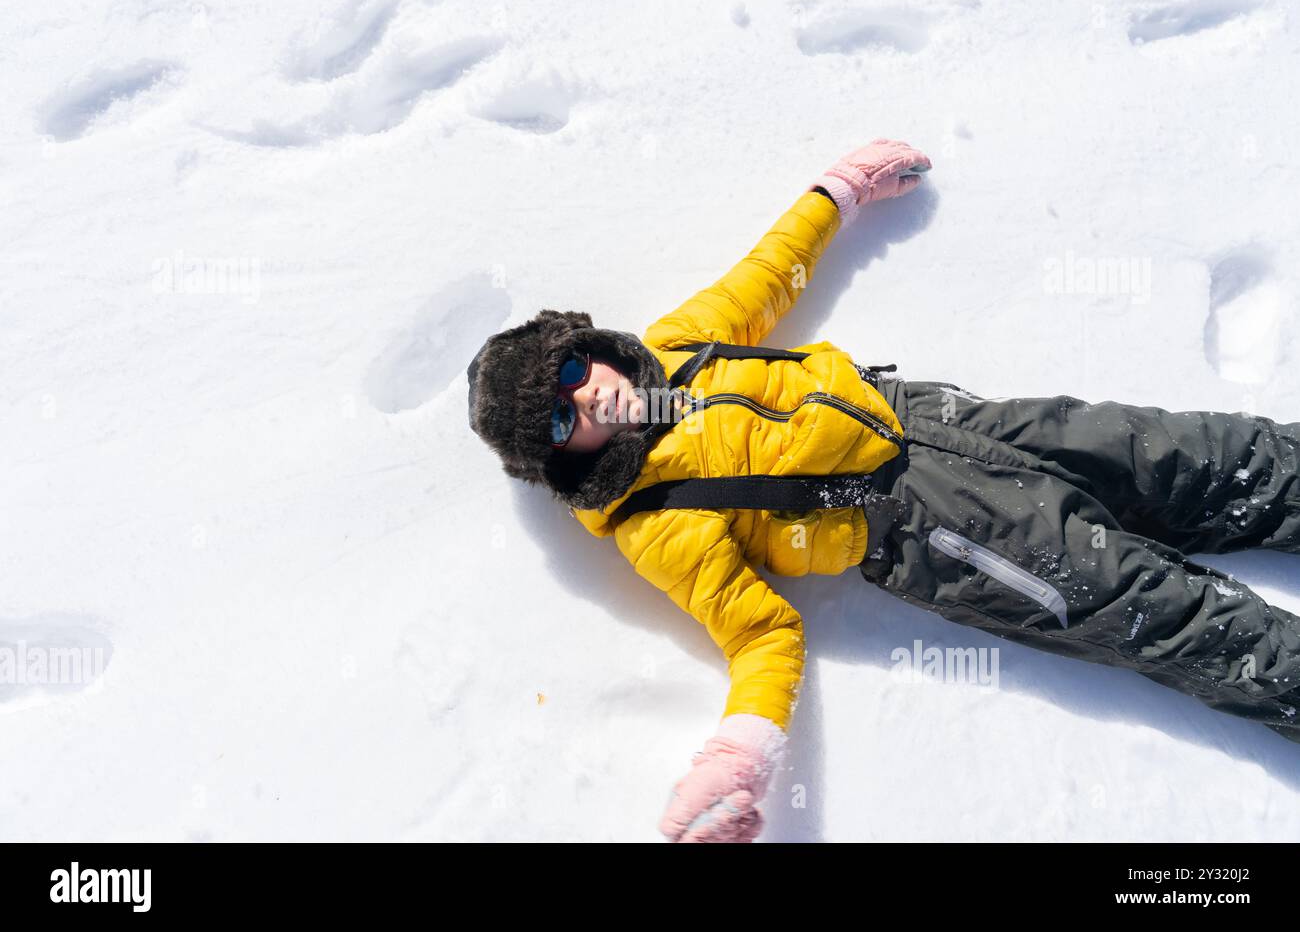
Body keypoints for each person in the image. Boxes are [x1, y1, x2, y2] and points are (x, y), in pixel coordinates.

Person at [466, 138, 1300, 843]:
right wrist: (741, 752)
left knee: (1174, 453)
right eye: (557, 420)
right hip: (933, 532)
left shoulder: (678, 344)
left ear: (587, 343)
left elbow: (767, 272)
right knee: (1154, 606)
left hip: (944, 420)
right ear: (559, 458)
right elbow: (761, 637)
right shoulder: (652, 523)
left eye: (572, 368)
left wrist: (840, 191)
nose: (585, 395)